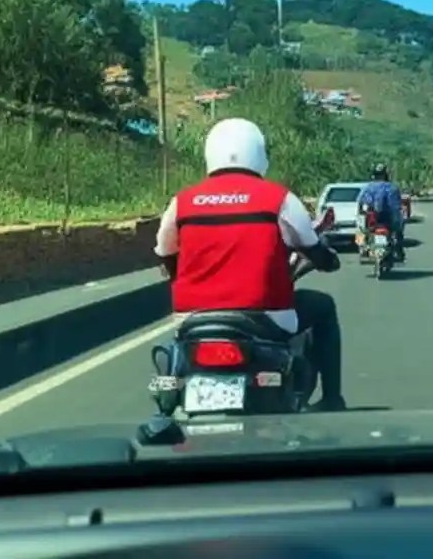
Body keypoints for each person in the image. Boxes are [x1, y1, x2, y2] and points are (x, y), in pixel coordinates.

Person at [153, 117, 346, 412]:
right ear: (259, 154)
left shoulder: (182, 202)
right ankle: (332, 398)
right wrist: (327, 260)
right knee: (323, 306)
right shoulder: (279, 199)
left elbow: (165, 253)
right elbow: (311, 245)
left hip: (192, 319)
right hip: (267, 317)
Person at [356, 162, 406, 262]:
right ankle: (399, 250)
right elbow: (397, 205)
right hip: (388, 218)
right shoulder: (392, 187)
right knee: (398, 230)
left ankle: (362, 249)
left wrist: (362, 212)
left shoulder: (368, 187)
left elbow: (360, 201)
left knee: (360, 231)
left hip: (373, 218)